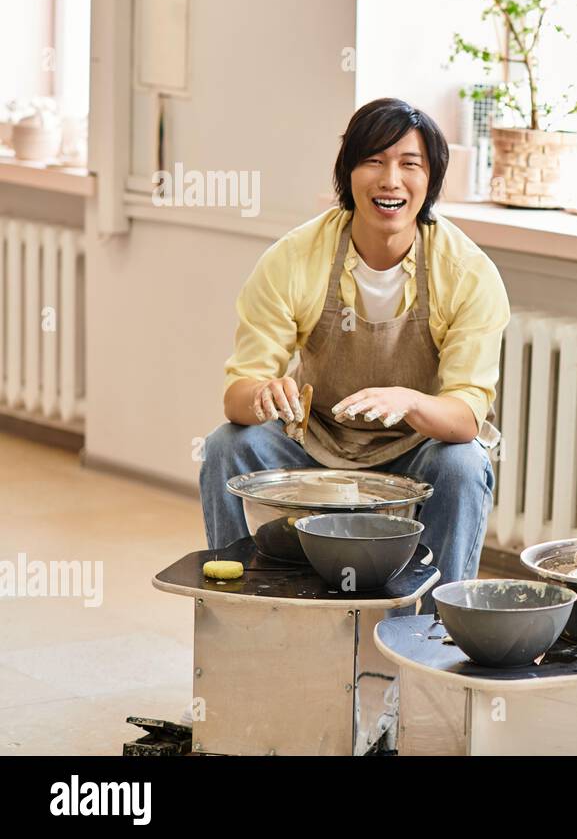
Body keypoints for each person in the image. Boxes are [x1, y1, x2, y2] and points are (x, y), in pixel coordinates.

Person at [200, 98, 508, 587]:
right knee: (226, 446)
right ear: (347, 173)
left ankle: (434, 627)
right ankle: (240, 595)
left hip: (417, 450)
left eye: (410, 164)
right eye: (373, 161)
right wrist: (262, 395)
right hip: (313, 442)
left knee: (463, 464)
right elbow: (237, 397)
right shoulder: (294, 257)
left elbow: (467, 417)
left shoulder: (468, 272)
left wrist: (407, 400)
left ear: (430, 182)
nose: (390, 180)